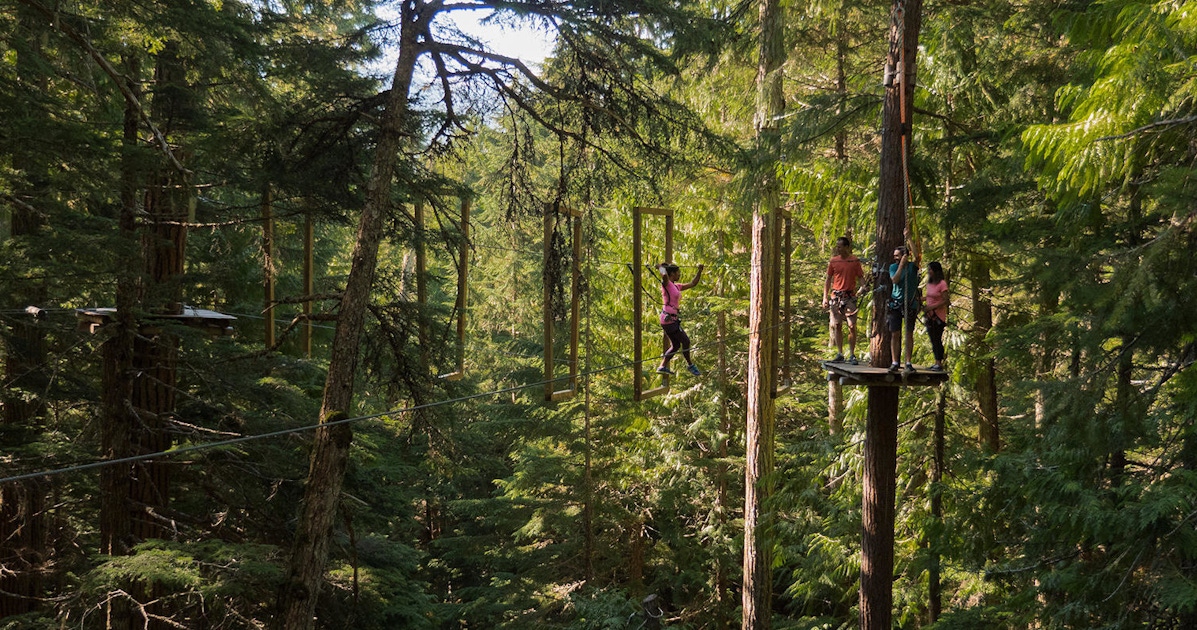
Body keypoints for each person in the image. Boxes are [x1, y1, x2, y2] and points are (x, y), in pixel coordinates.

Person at [822, 236, 865, 364]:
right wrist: (825, 297)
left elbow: (860, 276)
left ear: (847, 247)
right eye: (837, 246)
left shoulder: (854, 260)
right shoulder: (834, 261)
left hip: (850, 296)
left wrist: (863, 287)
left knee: (852, 325)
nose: (838, 249)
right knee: (837, 325)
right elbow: (828, 279)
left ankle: (852, 354)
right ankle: (840, 353)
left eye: (840, 246)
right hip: (836, 296)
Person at [655, 262, 703, 376]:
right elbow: (664, 276)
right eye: (678, 273)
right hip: (669, 320)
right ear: (672, 273)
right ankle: (690, 365)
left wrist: (699, 271)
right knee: (685, 341)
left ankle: (662, 366)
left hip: (671, 319)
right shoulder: (666, 284)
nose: (679, 275)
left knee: (676, 345)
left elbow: (693, 283)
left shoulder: (676, 286)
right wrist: (660, 268)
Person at [887, 241, 920, 373]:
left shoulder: (912, 267)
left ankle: (908, 362)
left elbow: (918, 257)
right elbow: (895, 280)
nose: (895, 257)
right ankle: (895, 362)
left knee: (909, 334)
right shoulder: (893, 267)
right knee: (895, 333)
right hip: (896, 304)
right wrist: (900, 265)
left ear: (905, 256)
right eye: (894, 255)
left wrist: (910, 240)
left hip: (910, 304)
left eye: (898, 255)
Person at [922, 261, 949, 371]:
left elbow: (946, 300)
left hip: (938, 316)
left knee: (937, 339)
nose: (929, 272)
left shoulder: (942, 283)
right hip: (930, 316)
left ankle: (939, 362)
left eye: (930, 270)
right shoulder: (930, 283)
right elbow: (929, 297)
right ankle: (936, 362)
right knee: (933, 339)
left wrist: (932, 307)